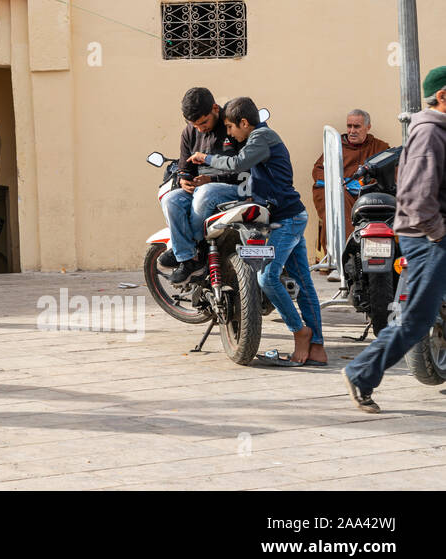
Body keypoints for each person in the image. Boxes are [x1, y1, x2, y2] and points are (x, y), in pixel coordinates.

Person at [191, 96, 325, 366]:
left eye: (230, 127)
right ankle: (318, 348)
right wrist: (212, 178)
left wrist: (205, 158)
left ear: (244, 122)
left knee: (266, 277)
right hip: (290, 216)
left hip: (286, 220)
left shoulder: (260, 137)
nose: (228, 133)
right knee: (303, 283)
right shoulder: (261, 139)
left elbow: (237, 163)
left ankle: (300, 332)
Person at [343, 67, 446, 413]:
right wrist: (440, 235)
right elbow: (417, 199)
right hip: (428, 240)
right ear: (443, 97)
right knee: (416, 319)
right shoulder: (430, 134)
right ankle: (361, 372)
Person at [160, 87, 247, 286]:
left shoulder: (232, 125)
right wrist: (184, 179)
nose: (200, 129)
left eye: (203, 123)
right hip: (199, 189)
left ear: (215, 109)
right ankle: (188, 261)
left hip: (233, 188)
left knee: (205, 193)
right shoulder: (190, 132)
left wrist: (211, 181)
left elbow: (245, 168)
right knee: (171, 199)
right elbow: (184, 166)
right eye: (194, 125)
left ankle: (189, 250)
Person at [311, 109, 389, 277]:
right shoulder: (336, 145)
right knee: (339, 200)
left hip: (367, 193)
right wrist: (336, 183)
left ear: (368, 127)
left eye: (357, 126)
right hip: (339, 192)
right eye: (349, 126)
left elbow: (390, 170)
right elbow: (319, 170)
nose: (352, 131)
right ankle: (345, 260)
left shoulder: (379, 147)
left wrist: (366, 184)